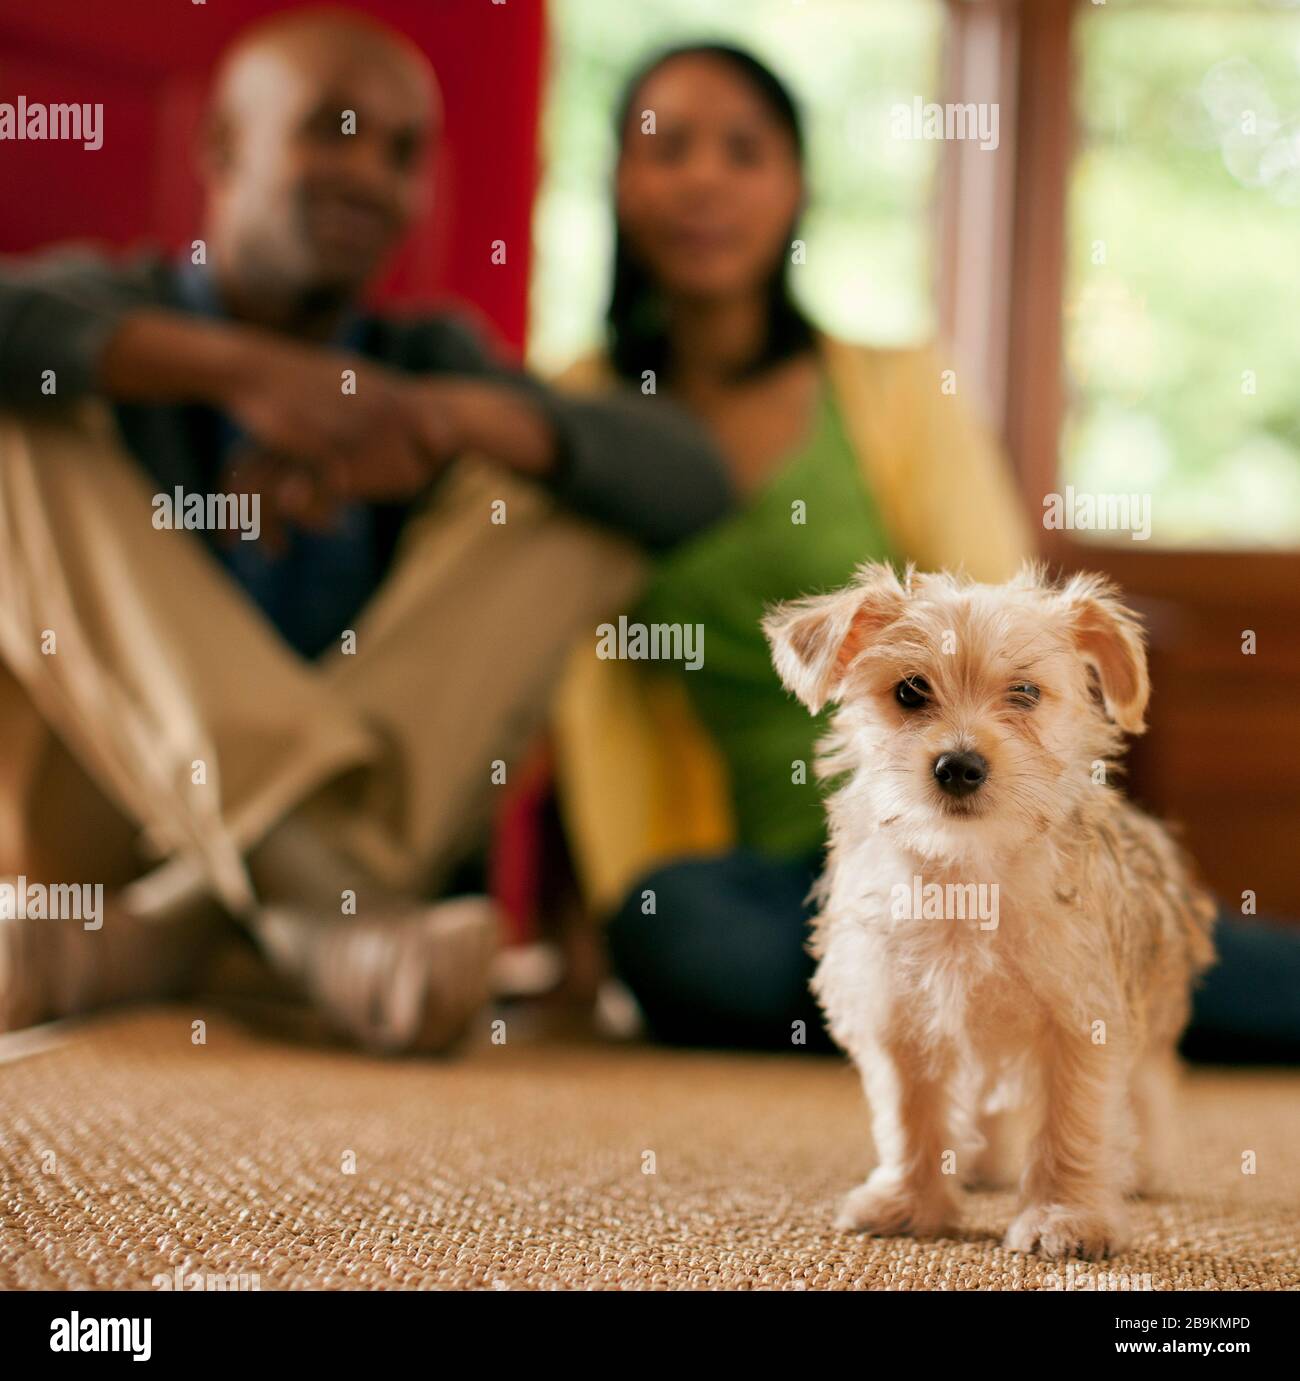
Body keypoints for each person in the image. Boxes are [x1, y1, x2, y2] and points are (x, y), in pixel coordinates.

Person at [0, 11, 732, 1053]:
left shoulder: (418, 357)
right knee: (19, 424)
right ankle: (315, 904)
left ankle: (169, 933)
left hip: (367, 835)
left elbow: (690, 477)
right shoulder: (113, 301)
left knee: (570, 504)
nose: (368, 175)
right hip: (100, 830)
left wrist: (434, 418)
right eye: (330, 128)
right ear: (220, 147)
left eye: (400, 152)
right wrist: (246, 376)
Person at [553, 42, 1300, 1061]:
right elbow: (560, 674)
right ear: (616, 179)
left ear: (794, 186)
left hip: (970, 841)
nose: (702, 179)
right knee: (671, 925)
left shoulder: (898, 383)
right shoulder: (572, 412)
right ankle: (922, 1003)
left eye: (741, 149)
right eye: (666, 146)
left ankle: (979, 1000)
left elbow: (1008, 619)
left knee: (1167, 957)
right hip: (762, 873)